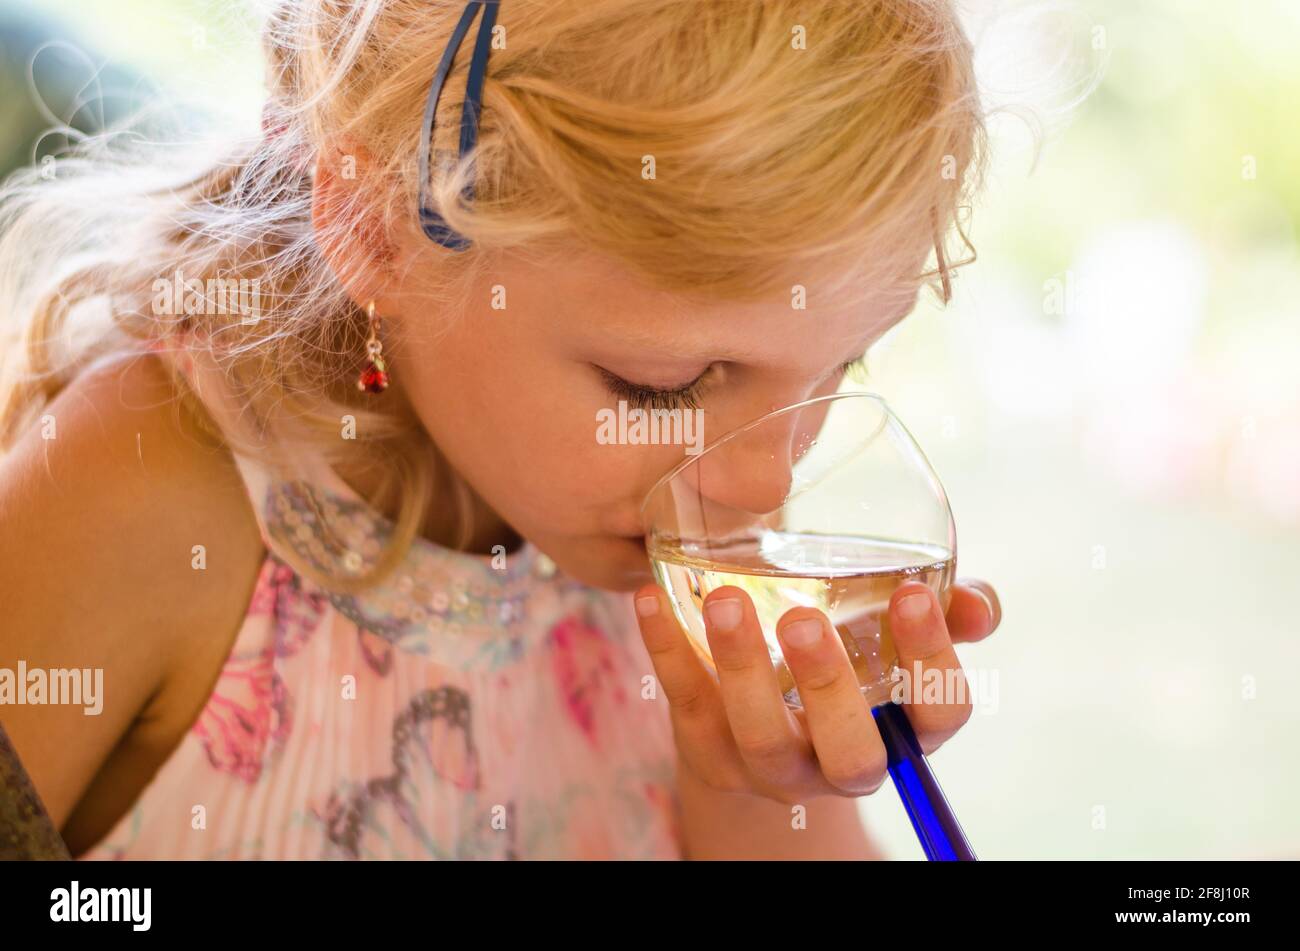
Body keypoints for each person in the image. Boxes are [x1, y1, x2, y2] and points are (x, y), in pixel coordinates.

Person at [0, 0, 1000, 860]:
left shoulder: (699, 598)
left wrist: (760, 784)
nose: (763, 482)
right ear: (374, 226)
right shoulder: (148, 496)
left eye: (841, 369)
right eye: (666, 382)